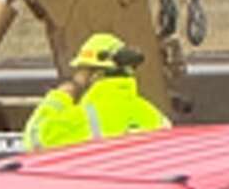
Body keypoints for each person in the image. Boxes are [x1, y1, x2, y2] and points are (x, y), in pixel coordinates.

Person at [21, 32, 172, 150]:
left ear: (96, 75)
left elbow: (33, 141)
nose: (77, 77)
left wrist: (61, 96)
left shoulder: (83, 118)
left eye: (82, 71)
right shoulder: (156, 117)